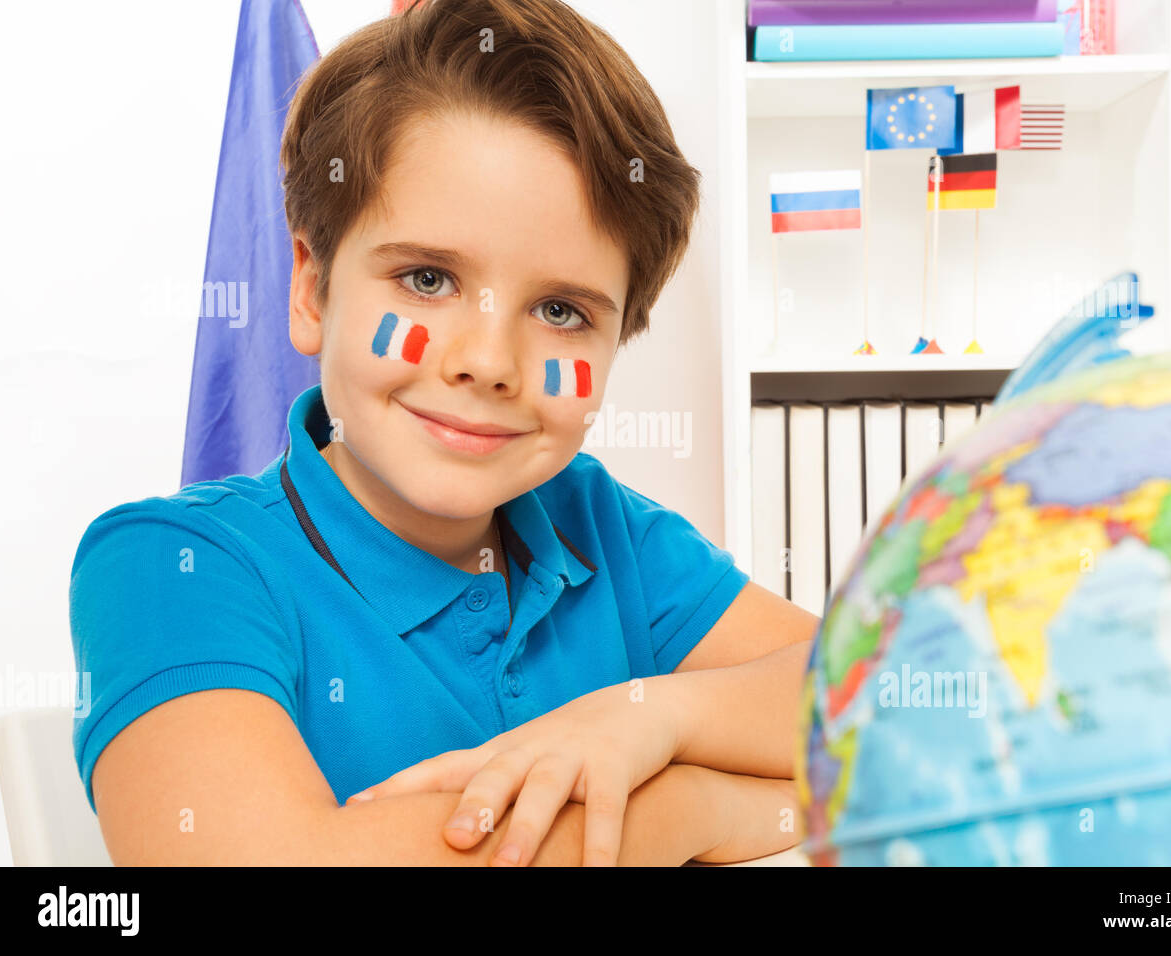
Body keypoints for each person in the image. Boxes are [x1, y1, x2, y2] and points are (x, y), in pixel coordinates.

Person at [69, 0, 820, 865]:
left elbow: (924, 709)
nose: (488, 360)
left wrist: (654, 721)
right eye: (427, 278)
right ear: (311, 291)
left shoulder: (604, 533)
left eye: (561, 310)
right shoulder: (173, 564)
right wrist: (676, 812)